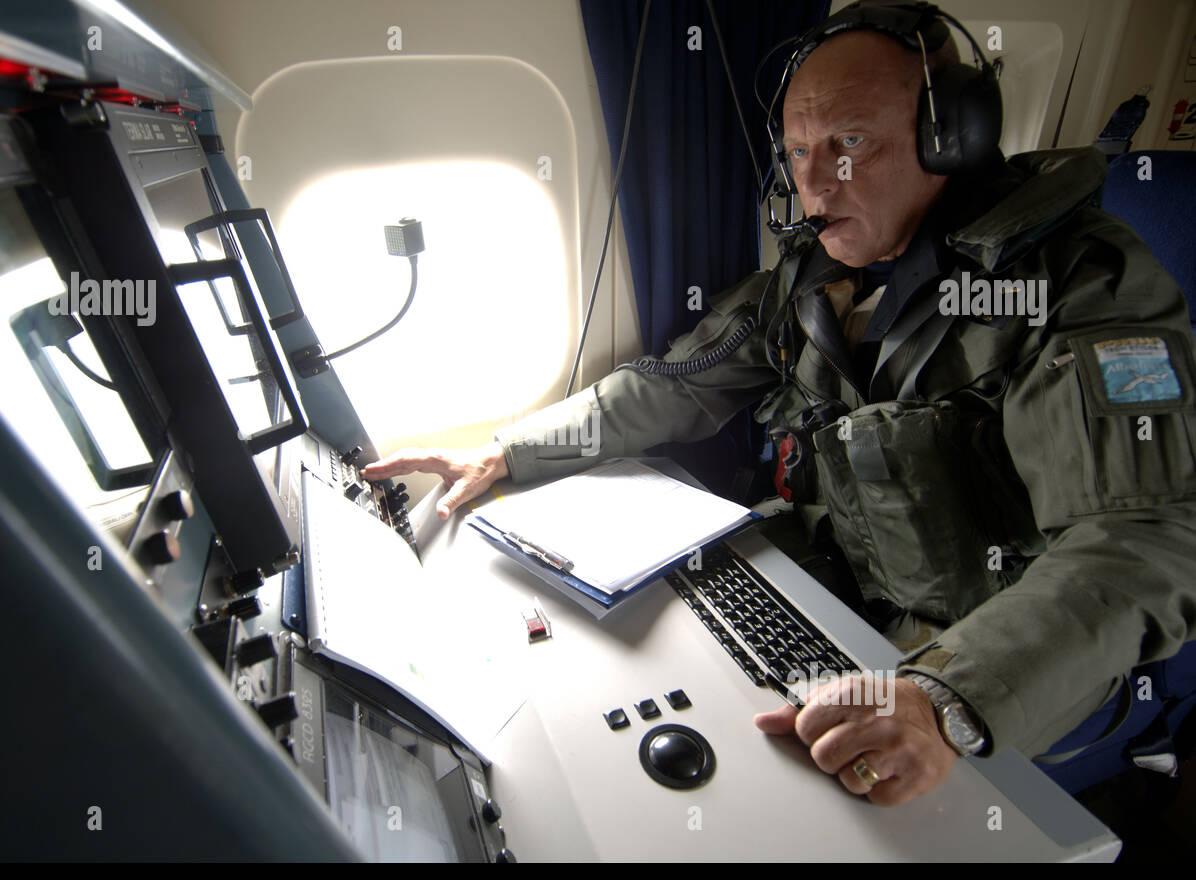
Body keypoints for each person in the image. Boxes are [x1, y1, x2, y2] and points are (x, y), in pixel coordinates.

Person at [363, 7, 1196, 806]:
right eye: (798, 151)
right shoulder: (812, 283)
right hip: (846, 599)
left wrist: (948, 696)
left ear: (956, 140)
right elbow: (676, 384)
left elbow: (1138, 540)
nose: (812, 183)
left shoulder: (1077, 287)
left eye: (851, 142)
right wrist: (511, 451)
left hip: (1006, 662)